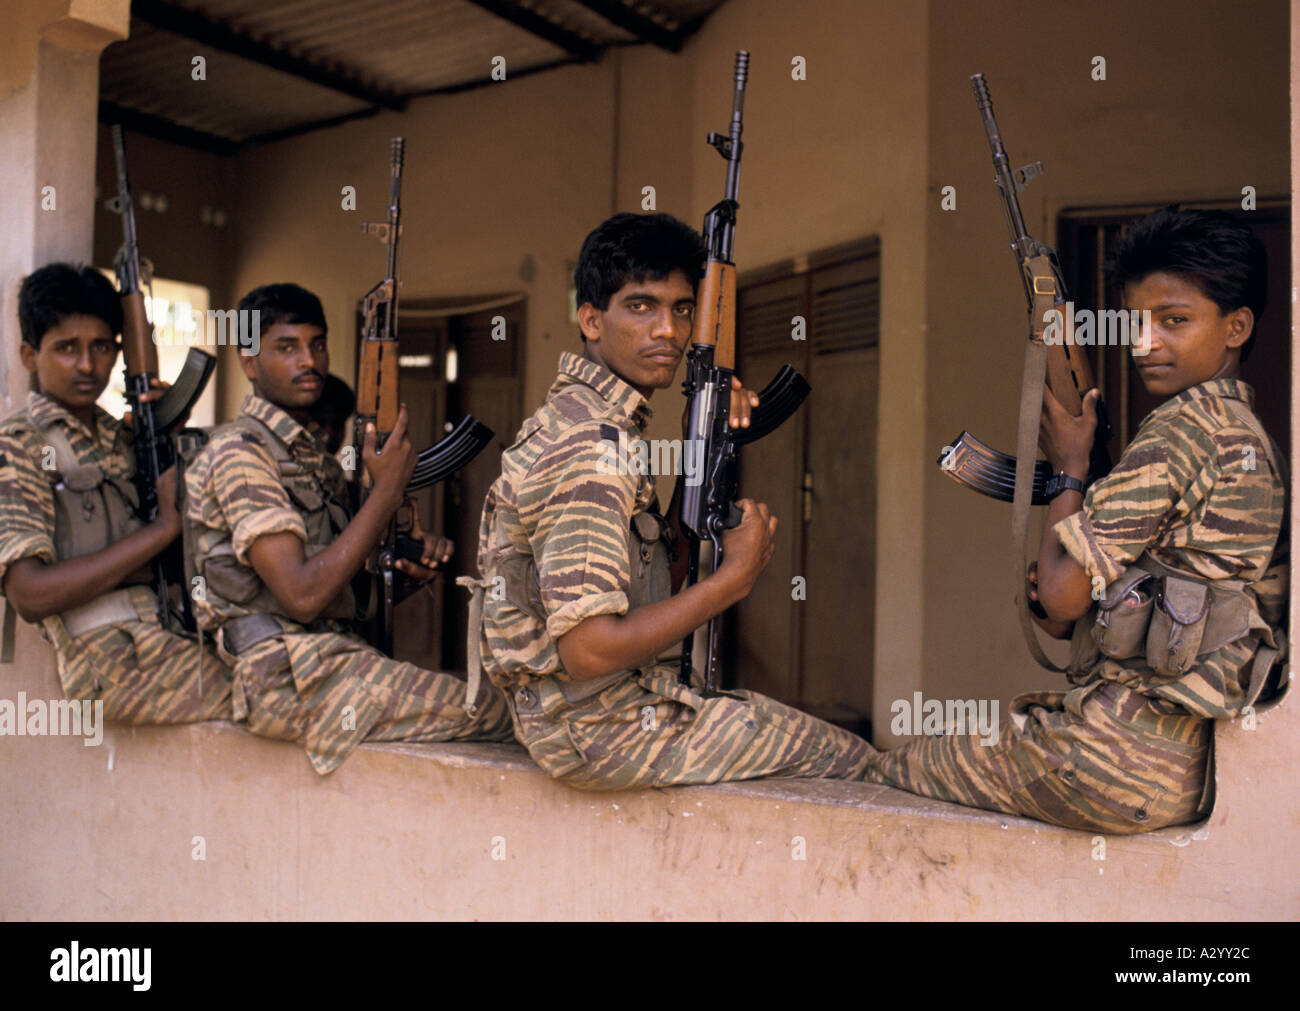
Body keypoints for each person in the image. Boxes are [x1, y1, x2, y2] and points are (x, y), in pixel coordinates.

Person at [865, 206, 1287, 833]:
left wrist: (1069, 467)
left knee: (882, 772)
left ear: (1236, 327)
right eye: (1136, 323)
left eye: (1175, 321)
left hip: (1104, 759)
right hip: (1181, 768)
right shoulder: (1247, 437)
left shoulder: (1182, 431)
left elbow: (1060, 600)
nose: (1147, 343)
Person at [466, 213, 872, 790]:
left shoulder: (594, 421)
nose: (668, 331)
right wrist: (734, 579)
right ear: (590, 319)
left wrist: (697, 446)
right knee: (857, 765)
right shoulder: (592, 447)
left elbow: (657, 576)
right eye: (641, 306)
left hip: (596, 714)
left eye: (682, 309)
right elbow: (589, 649)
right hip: (601, 729)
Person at [184, 282, 511, 774]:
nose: (309, 361)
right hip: (285, 675)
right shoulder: (241, 453)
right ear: (249, 362)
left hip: (323, 657)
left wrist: (402, 579)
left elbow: (334, 588)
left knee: (496, 697)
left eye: (317, 344)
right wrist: (384, 494)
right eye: (286, 347)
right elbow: (301, 595)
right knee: (496, 710)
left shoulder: (309, 457)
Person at [0, 263, 232, 722]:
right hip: (108, 662)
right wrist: (161, 529)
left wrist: (164, 436)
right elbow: (29, 594)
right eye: (66, 348)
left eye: (101, 347)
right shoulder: (19, 445)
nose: (87, 365)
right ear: (30, 356)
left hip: (170, 632)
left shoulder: (122, 436)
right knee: (268, 695)